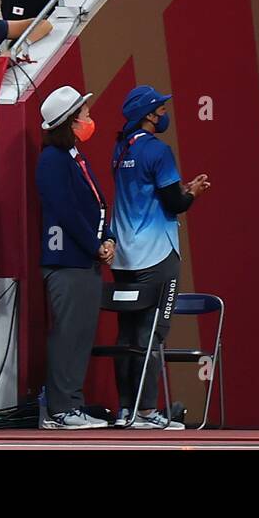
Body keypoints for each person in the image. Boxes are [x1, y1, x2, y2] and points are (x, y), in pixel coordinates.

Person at [109, 85, 210, 429]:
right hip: (157, 255)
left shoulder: (120, 148)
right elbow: (174, 204)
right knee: (151, 334)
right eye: (160, 109)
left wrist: (178, 193)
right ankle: (148, 413)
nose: (164, 114)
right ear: (149, 116)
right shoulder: (158, 151)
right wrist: (192, 193)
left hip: (124, 257)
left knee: (127, 337)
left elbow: (148, 195)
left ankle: (126, 410)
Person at [37, 84, 114, 429]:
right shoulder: (51, 160)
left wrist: (107, 238)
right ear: (69, 122)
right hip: (67, 261)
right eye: (84, 114)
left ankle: (71, 405)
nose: (89, 119)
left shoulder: (75, 157)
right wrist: (93, 245)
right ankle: (61, 409)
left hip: (85, 259)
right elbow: (65, 210)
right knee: (69, 335)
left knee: (81, 335)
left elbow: (95, 205)